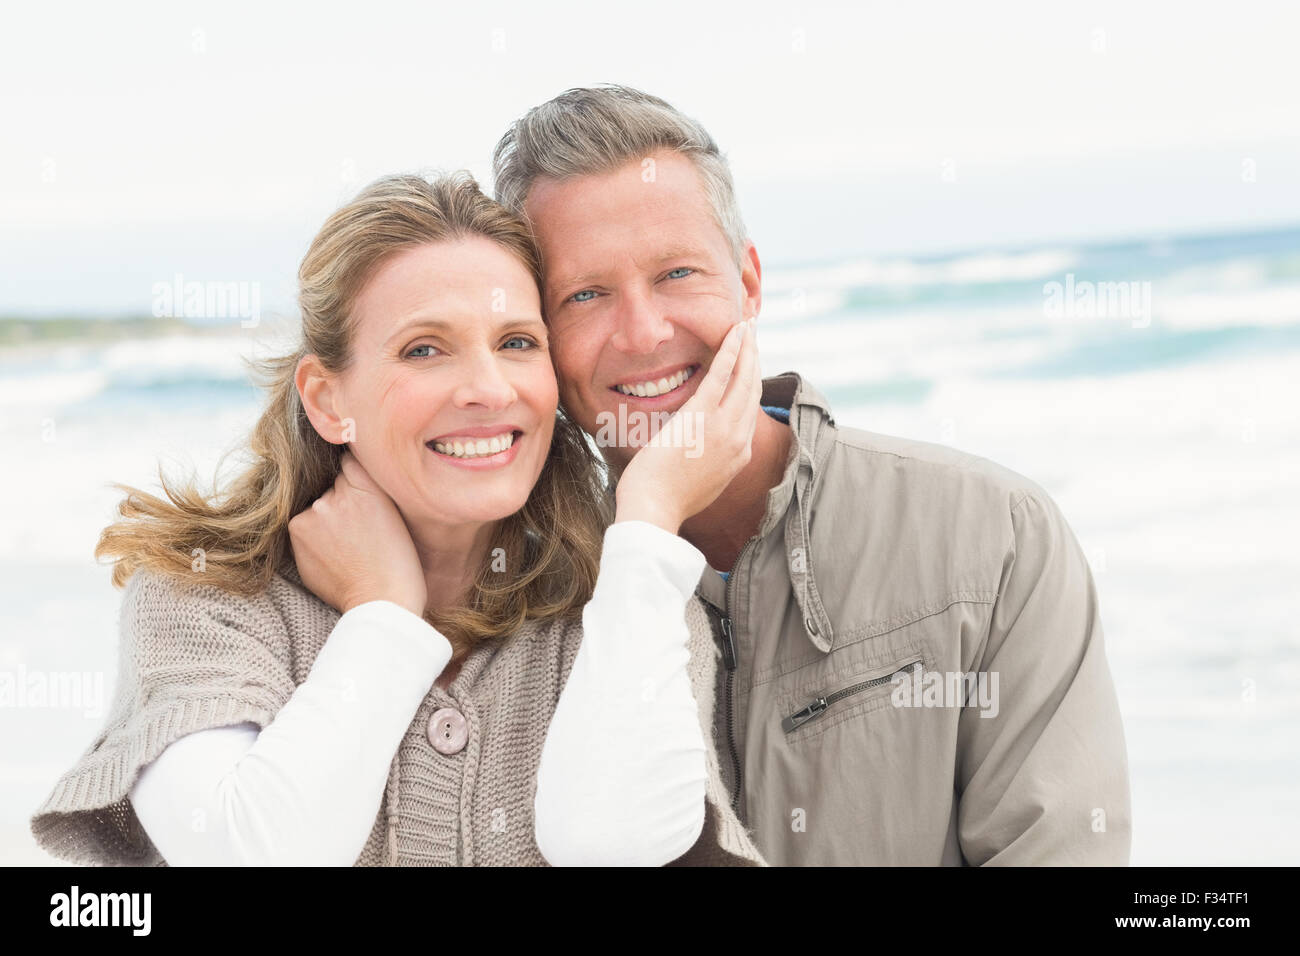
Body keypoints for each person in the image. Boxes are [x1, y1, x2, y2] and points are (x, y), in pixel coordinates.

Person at [28, 171, 768, 867]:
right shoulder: (204, 603)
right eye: (425, 349)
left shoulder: (623, 611)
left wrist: (646, 519)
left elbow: (613, 846)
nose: (486, 388)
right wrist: (382, 617)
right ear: (326, 399)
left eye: (516, 343)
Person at [490, 84, 1133, 865]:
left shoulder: (994, 538)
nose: (644, 332)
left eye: (678, 274)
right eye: (585, 294)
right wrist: (644, 528)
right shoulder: (512, 600)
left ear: (749, 283)